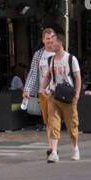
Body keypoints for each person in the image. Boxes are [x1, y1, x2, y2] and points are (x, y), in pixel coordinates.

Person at [39, 28, 81, 163]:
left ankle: (75, 148)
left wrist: (77, 94)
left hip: (68, 96)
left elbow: (77, 77)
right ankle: (54, 152)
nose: (51, 44)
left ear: (60, 43)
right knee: (53, 123)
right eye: (50, 42)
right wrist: (42, 88)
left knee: (72, 124)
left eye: (54, 42)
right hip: (54, 95)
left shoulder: (70, 59)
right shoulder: (51, 59)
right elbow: (47, 76)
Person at [21, 26, 58, 154]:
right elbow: (33, 73)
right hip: (43, 92)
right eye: (47, 38)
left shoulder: (59, 53)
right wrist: (27, 89)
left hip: (56, 92)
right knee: (48, 121)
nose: (50, 41)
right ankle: (51, 146)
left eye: (52, 38)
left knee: (54, 120)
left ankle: (54, 148)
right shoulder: (39, 54)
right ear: (43, 40)